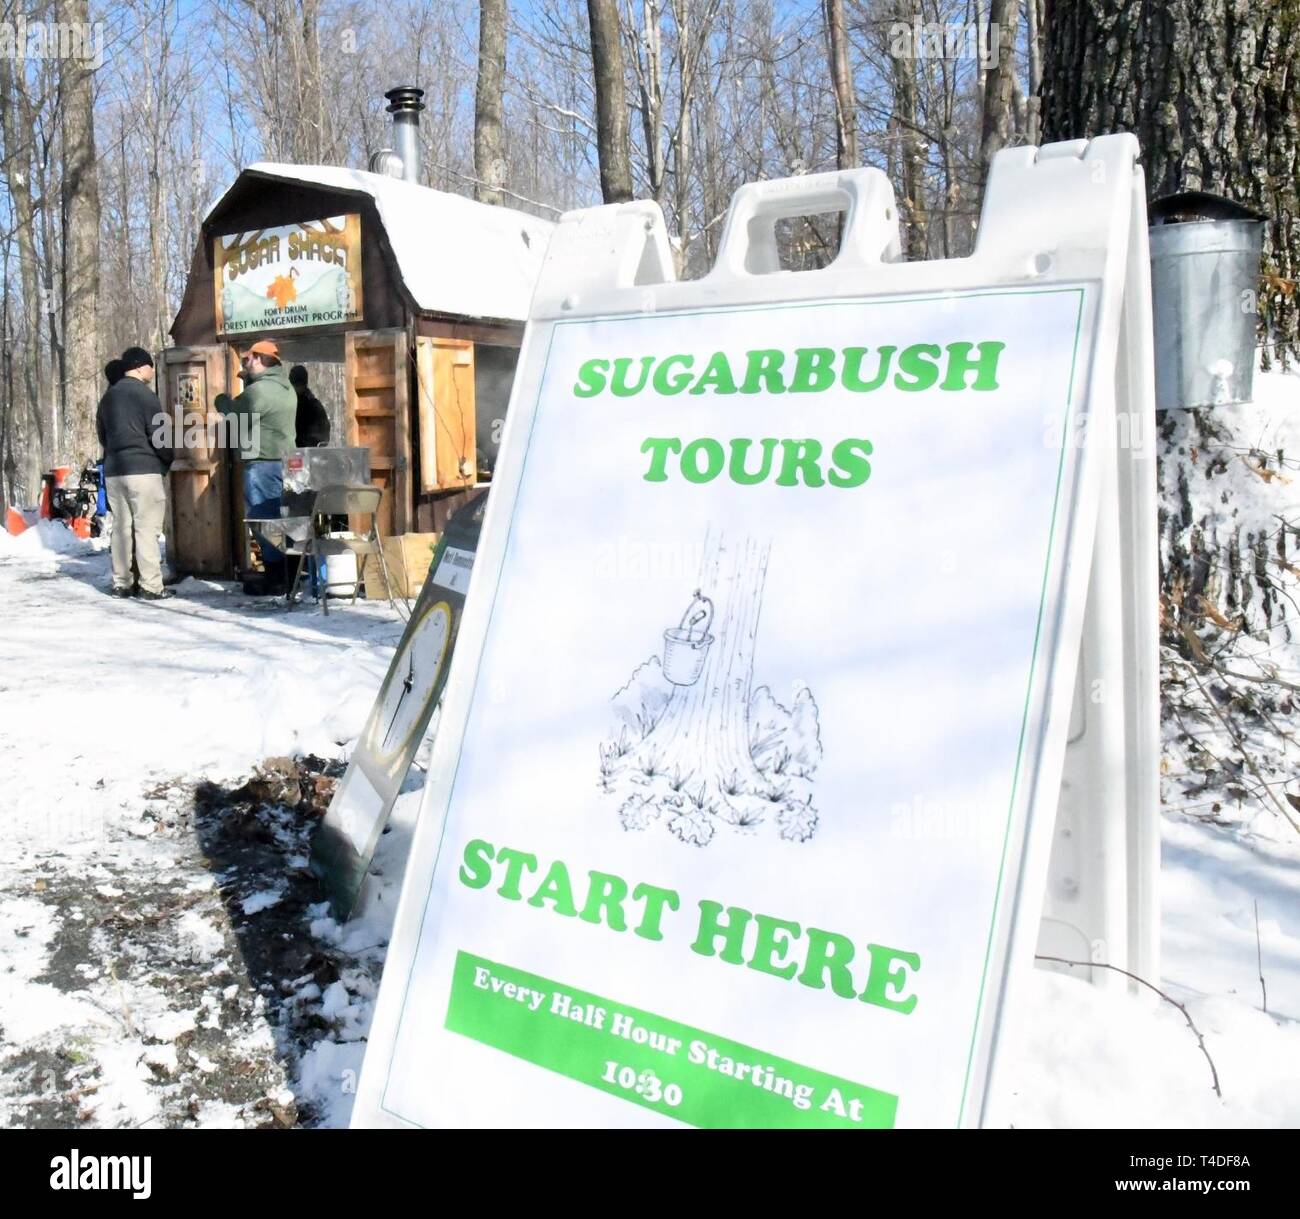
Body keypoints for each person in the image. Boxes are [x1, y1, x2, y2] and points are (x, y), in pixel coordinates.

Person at [215, 338, 297, 595]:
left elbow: (236, 413)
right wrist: (249, 381)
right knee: (283, 521)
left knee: (264, 522)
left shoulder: (258, 392)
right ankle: (290, 574)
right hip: (284, 462)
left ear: (260, 359)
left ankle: (276, 578)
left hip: (261, 463)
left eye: (248, 359)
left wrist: (221, 399)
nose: (245, 363)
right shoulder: (285, 388)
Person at [96, 346, 173, 600]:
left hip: (115, 471)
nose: (152, 370)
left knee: (121, 528)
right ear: (141, 366)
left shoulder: (107, 398)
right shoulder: (145, 395)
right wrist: (166, 461)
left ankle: (122, 583)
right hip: (143, 470)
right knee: (146, 528)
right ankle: (151, 585)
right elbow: (160, 437)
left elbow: (102, 436)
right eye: (150, 365)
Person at [289, 365, 331, 448]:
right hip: (310, 451)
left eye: (296, 386)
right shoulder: (314, 403)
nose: (295, 389)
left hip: (306, 450)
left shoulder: (311, 405)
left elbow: (323, 433)